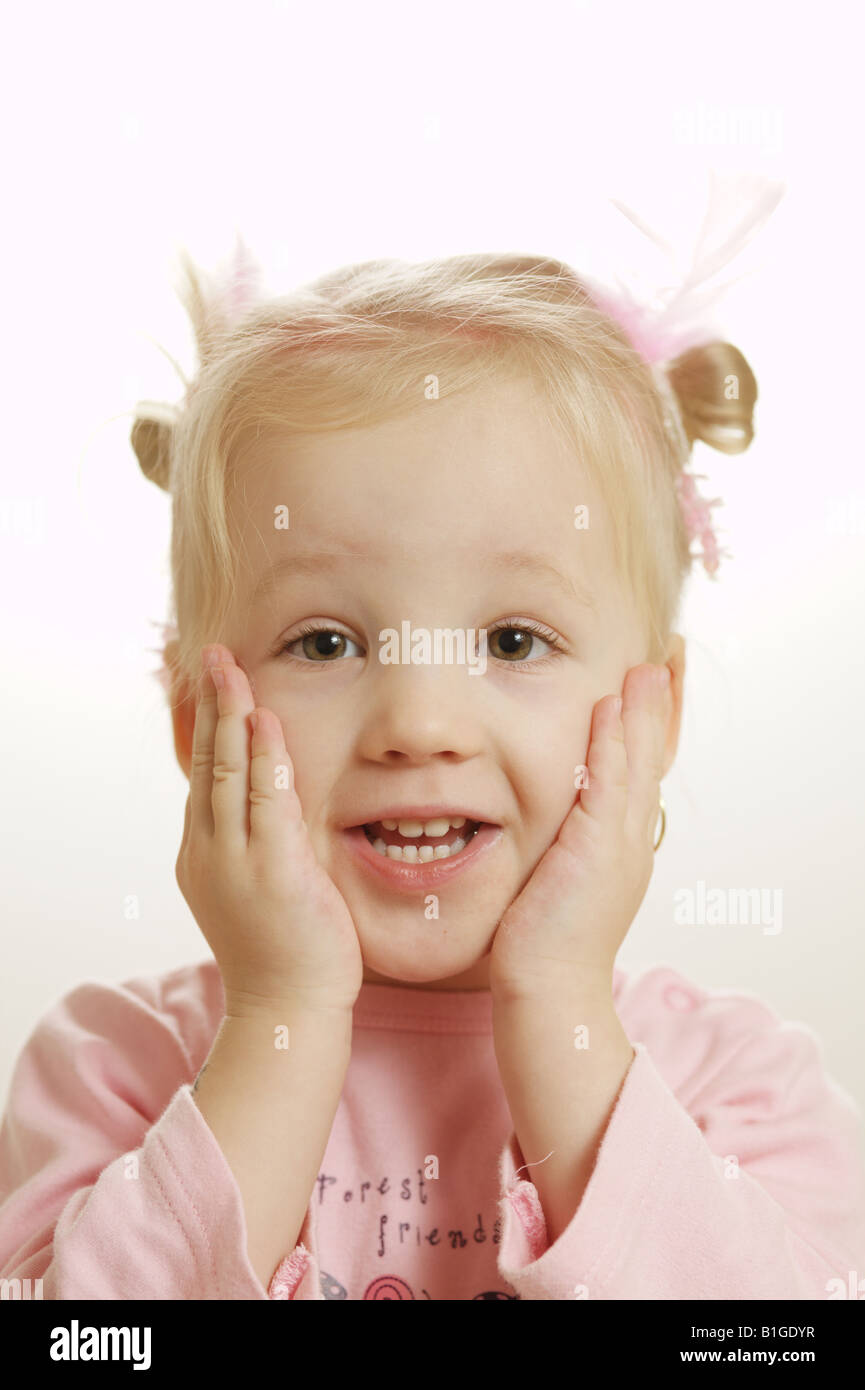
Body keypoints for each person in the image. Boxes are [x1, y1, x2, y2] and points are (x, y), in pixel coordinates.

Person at [2, 203, 863, 1300]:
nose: (418, 723)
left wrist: (559, 1007)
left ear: (656, 719)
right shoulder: (111, 1073)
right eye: (323, 641)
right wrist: (281, 1017)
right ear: (194, 719)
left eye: (513, 639)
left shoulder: (743, 1094)